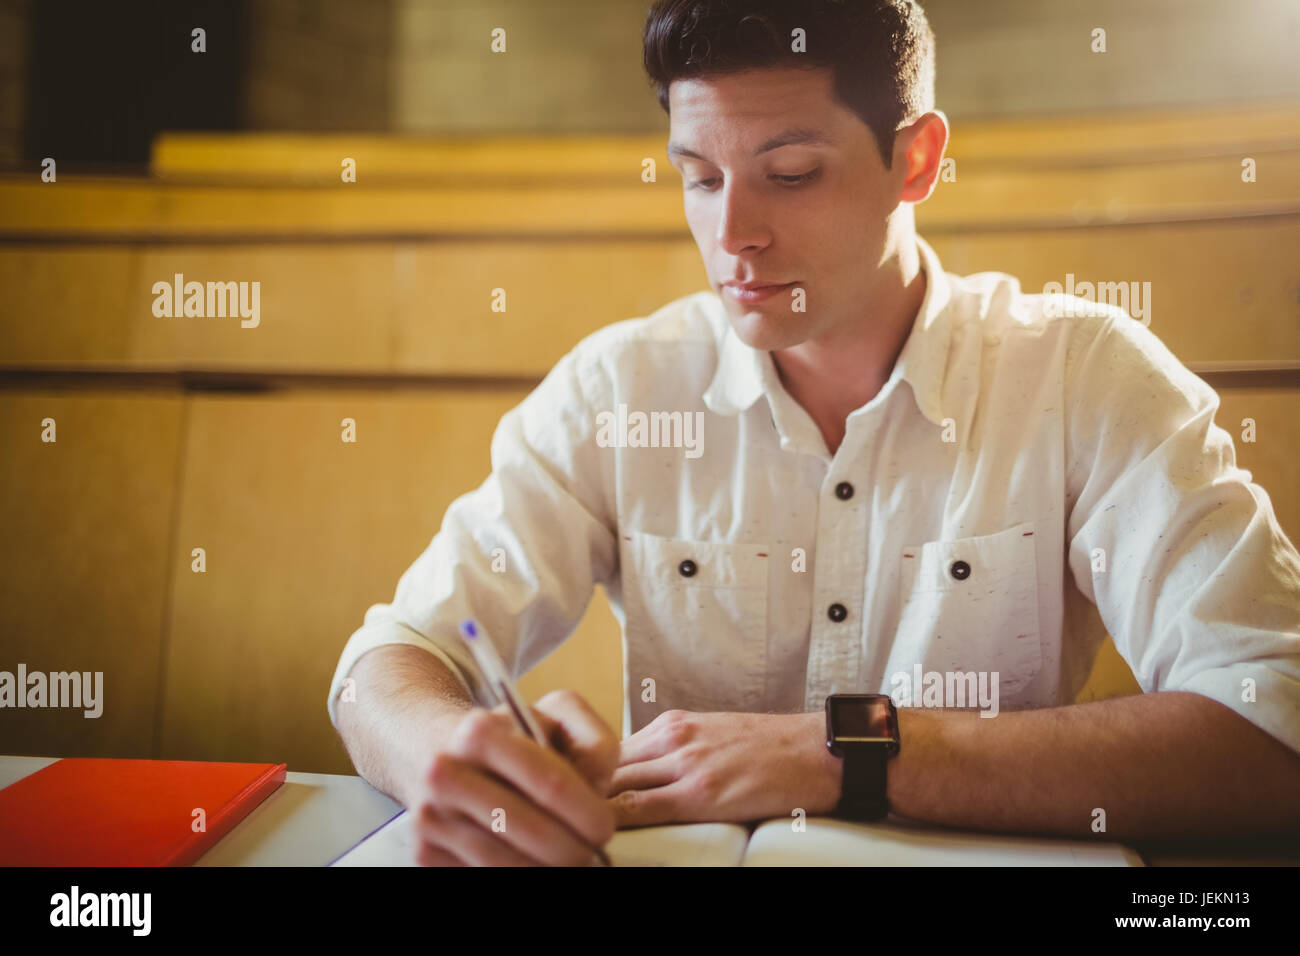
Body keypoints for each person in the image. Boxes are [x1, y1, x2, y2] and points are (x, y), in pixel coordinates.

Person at [328, 0, 1300, 866]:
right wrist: (457, 759)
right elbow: (397, 656)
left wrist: (847, 751)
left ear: (915, 160)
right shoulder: (617, 386)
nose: (732, 233)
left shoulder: (1082, 374)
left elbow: (1274, 723)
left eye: (789, 175)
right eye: (698, 177)